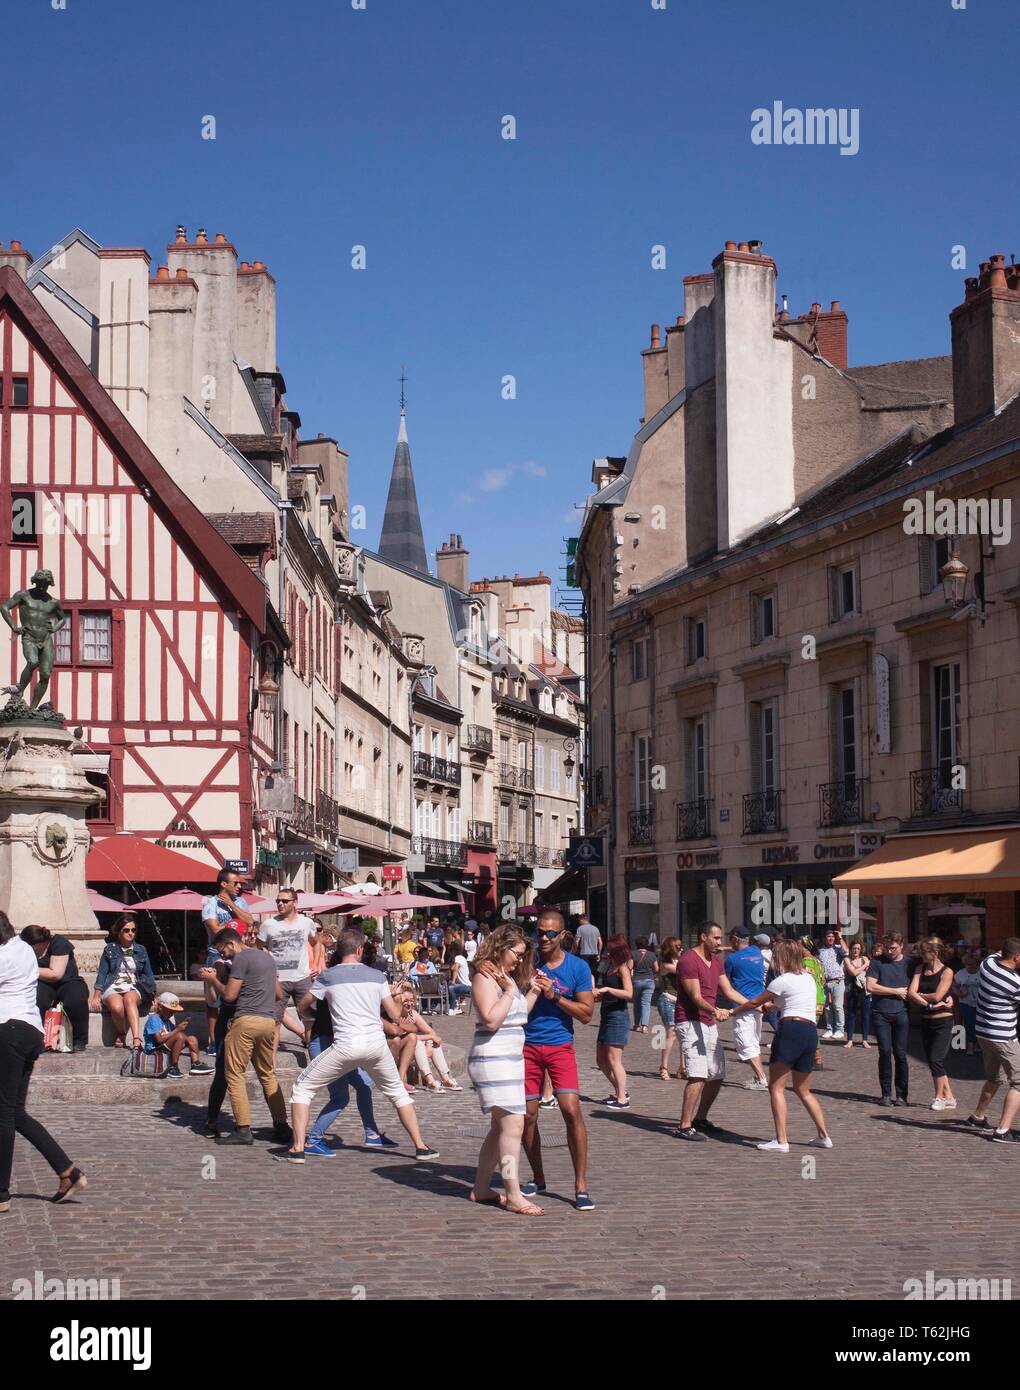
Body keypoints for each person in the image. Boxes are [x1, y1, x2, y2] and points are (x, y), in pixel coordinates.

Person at [283, 927, 439, 1163]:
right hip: (375, 1045)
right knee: (398, 1094)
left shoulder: (328, 976)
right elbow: (395, 1015)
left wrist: (310, 1014)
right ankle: (421, 1147)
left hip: (345, 1045)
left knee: (302, 1090)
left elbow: (304, 1004)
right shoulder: (377, 976)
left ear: (339, 950)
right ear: (359, 950)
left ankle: (298, 1148)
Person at [0, 912, 87, 1212]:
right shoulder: (23, 948)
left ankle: (1, 1194)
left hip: (7, 1029)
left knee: (3, 1115)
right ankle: (67, 1171)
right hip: (29, 1031)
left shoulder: (3, 958)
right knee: (16, 1113)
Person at [519, 909, 596, 1212]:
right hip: (526, 1046)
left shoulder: (577, 967)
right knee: (527, 1117)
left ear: (563, 935)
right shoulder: (526, 962)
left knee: (571, 1109)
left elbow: (587, 1014)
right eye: (540, 932)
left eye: (551, 933)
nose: (544, 938)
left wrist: (554, 996)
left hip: (559, 1045)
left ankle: (581, 1185)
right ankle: (538, 1178)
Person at [468, 925, 545, 1215]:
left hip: (509, 1059)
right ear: (502, 948)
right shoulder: (485, 977)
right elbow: (491, 1019)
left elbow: (516, 1014)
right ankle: (513, 1193)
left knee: (501, 1127)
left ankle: (481, 1187)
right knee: (513, 1126)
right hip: (493, 1059)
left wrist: (532, 991)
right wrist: (511, 990)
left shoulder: (504, 978)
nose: (520, 960)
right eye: (517, 954)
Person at [729, 939, 832, 1153]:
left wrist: (731, 1012)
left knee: (776, 1087)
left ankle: (781, 1140)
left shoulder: (781, 981)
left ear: (781, 958)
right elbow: (785, 1003)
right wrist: (770, 1007)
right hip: (810, 1032)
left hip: (790, 1031)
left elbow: (753, 1003)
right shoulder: (808, 978)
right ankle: (824, 1136)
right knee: (804, 1089)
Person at [298, 942, 400, 1156]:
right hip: (324, 1042)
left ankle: (372, 1134)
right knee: (340, 1096)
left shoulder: (339, 981)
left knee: (364, 1085)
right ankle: (312, 1140)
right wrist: (311, 1020)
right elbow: (302, 1005)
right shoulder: (328, 981)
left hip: (343, 1044)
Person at [201, 927, 292, 1146]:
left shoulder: (241, 959)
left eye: (221, 949)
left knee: (234, 1075)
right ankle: (281, 1126)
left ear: (231, 943)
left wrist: (213, 980)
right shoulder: (267, 959)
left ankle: (243, 1129)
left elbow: (230, 996)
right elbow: (280, 994)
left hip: (245, 1021)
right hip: (268, 1022)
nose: (222, 954)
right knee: (267, 1075)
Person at [672, 923, 749, 1141]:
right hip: (689, 1021)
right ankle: (684, 1126)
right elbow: (696, 997)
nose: (719, 942)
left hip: (708, 1022)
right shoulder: (688, 960)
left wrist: (756, 1005)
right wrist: (716, 1010)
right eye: (715, 938)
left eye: (719, 938)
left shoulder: (716, 961)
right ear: (703, 936)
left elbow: (730, 991)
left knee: (716, 1073)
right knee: (698, 1073)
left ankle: (700, 1119)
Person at [963, 937, 1020, 1143]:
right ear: (1016, 957)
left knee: (995, 1078)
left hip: (983, 1034)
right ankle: (1003, 1130)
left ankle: (978, 1116)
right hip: (1003, 1037)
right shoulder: (1014, 983)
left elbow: (997, 951)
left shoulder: (987, 965)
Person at [201, 870, 255, 1055]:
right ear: (224, 884)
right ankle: (214, 1041)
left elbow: (249, 921)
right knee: (213, 1001)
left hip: (239, 954)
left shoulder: (239, 902)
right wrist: (235, 924)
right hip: (216, 954)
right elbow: (216, 930)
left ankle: (234, 1037)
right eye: (236, 883)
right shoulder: (210, 904)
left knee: (236, 996)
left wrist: (232, 905)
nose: (239, 886)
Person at [257, 888, 318, 1049]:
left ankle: (314, 1063)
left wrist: (316, 965)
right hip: (278, 980)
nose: (280, 904)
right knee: (274, 1021)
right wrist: (269, 964)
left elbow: (316, 942)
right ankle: (271, 1068)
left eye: (285, 901)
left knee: (310, 1020)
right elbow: (259, 947)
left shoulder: (306, 922)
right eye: (278, 901)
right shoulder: (268, 925)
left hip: (302, 977)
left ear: (295, 903)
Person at [20, 926, 90, 1053]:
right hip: (42, 982)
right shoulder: (25, 949)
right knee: (36, 1000)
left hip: (68, 981)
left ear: (39, 943)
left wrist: (27, 970)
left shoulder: (59, 943)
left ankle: (80, 1039)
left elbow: (56, 974)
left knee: (75, 998)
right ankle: (38, 1039)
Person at [90, 916, 155, 1049]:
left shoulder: (141, 950)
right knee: (117, 1008)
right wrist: (96, 995)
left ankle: (136, 1038)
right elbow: (102, 973)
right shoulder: (110, 949)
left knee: (129, 1000)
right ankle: (121, 1032)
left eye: (133, 930)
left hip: (134, 985)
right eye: (126, 930)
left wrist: (154, 994)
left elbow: (148, 974)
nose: (130, 933)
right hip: (113, 984)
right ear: (119, 932)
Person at [907, 937, 957, 1110]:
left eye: (924, 952)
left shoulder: (947, 972)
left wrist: (920, 995)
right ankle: (949, 1096)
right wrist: (926, 1001)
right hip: (926, 1020)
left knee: (936, 1059)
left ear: (934, 953)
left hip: (943, 1021)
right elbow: (910, 992)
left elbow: (937, 995)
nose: (921, 955)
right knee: (933, 1061)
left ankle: (939, 1097)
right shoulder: (920, 969)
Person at [866, 931, 912, 1107]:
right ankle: (886, 1093)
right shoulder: (877, 962)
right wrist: (896, 991)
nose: (889, 951)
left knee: (901, 1055)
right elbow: (871, 986)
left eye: (893, 948)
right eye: (887, 948)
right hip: (880, 1012)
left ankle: (902, 1095)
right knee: (885, 1052)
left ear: (901, 946)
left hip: (901, 1013)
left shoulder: (909, 964)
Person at [392, 984, 462, 1091]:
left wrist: (429, 1042)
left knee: (434, 1043)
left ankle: (446, 1078)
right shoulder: (394, 1016)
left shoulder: (413, 1014)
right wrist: (429, 1037)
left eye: (411, 1000)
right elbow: (409, 1038)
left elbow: (431, 1032)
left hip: (412, 1049)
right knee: (418, 1043)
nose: (409, 1004)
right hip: (399, 1051)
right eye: (405, 1001)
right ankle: (429, 1080)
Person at [724, 928, 768, 1089]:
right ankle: (759, 1077)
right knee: (754, 1042)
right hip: (759, 1003)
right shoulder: (756, 952)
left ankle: (762, 1078)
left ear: (735, 939)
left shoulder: (732, 960)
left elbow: (725, 983)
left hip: (743, 1005)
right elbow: (742, 951)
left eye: (730, 939)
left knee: (744, 1043)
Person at [594, 934, 634, 1108]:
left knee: (613, 1060)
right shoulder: (608, 966)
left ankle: (622, 1099)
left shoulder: (622, 968)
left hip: (618, 1016)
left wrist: (608, 989)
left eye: (609, 949)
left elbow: (629, 993)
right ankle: (620, 1091)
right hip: (606, 1013)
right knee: (601, 1060)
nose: (606, 952)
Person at [142, 991, 213, 1079]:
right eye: (170, 1010)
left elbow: (176, 1035)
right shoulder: (153, 1019)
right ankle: (173, 1066)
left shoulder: (167, 1021)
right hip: (154, 1050)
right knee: (180, 1036)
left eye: (173, 1011)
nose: (172, 1013)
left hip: (165, 1047)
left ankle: (195, 1064)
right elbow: (159, 1040)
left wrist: (190, 1042)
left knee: (192, 1038)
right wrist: (178, 1029)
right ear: (160, 1007)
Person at [653, 937, 683, 1080]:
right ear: (671, 949)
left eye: (681, 946)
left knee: (683, 1034)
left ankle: (682, 1067)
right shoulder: (666, 965)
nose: (681, 949)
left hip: (682, 1002)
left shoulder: (680, 962)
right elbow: (684, 971)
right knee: (671, 1034)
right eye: (678, 947)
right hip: (668, 1000)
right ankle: (663, 1066)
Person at [799, 938, 826, 1068]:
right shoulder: (818, 961)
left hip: (810, 998)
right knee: (811, 1027)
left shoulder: (806, 961)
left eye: (799, 945)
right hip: (819, 997)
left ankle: (815, 1057)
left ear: (806, 947)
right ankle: (815, 1057)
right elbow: (823, 980)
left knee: (809, 1028)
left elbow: (806, 980)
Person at [818, 929, 848, 1041]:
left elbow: (846, 952)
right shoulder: (819, 951)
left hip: (838, 981)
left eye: (832, 937)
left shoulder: (838, 948)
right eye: (828, 936)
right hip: (825, 982)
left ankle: (840, 1029)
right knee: (827, 1007)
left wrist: (840, 938)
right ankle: (830, 1029)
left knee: (838, 1006)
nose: (831, 938)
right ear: (824, 938)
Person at [842, 940, 872, 1049]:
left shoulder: (864, 959)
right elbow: (853, 973)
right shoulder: (847, 959)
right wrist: (865, 965)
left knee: (865, 1015)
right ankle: (850, 1040)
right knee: (851, 1015)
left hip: (864, 990)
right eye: (854, 948)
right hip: (851, 989)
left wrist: (866, 964)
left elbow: (869, 972)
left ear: (861, 950)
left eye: (858, 948)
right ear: (850, 949)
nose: (856, 950)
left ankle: (865, 1040)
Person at [954, 948, 982, 1055]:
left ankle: (977, 1045)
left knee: (979, 1024)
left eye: (972, 964)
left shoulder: (982, 972)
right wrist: (959, 993)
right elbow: (955, 987)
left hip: (980, 1003)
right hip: (965, 1002)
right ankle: (969, 1045)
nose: (970, 966)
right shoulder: (961, 973)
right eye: (968, 964)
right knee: (969, 1024)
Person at [630, 936, 656, 1033]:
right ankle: (644, 1026)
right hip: (649, 980)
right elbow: (656, 968)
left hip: (636, 980)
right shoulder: (652, 955)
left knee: (636, 1003)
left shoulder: (633, 954)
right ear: (647, 944)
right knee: (646, 1003)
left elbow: (629, 967)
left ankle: (636, 1025)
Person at [572, 913, 602, 982]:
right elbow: (600, 942)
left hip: (584, 953)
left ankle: (586, 986)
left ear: (583, 919)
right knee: (593, 971)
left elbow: (577, 941)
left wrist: (575, 950)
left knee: (585, 971)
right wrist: (599, 954)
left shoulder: (580, 928)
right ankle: (594, 986)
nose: (579, 922)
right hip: (594, 954)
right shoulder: (595, 928)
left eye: (579, 920)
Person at [447, 949, 472, 1014]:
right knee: (445, 987)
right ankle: (456, 1007)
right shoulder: (460, 959)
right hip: (461, 985)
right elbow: (453, 968)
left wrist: (453, 981)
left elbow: (455, 969)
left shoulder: (459, 957)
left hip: (466, 986)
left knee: (451, 987)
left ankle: (452, 1008)